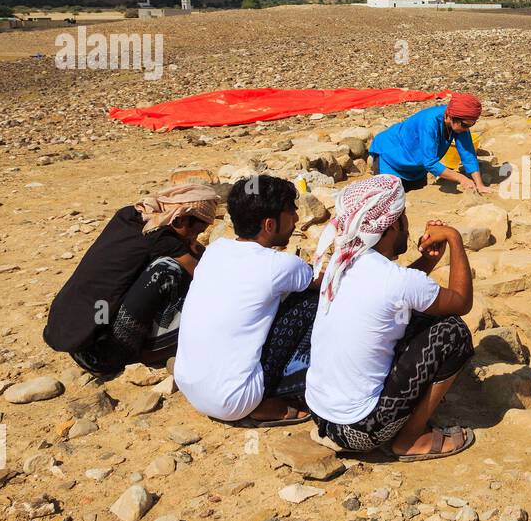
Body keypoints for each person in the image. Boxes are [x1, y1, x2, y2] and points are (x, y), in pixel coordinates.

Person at [306, 175, 476, 461]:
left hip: (322, 416)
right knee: (453, 332)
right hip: (360, 428)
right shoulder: (395, 280)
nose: (408, 227)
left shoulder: (342, 259)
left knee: (411, 316)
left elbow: (395, 292)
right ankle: (410, 440)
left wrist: (430, 260)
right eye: (404, 218)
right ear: (393, 225)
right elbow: (462, 302)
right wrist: (455, 239)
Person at [174, 175, 319, 426]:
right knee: (312, 300)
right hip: (237, 400)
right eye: (291, 212)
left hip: (191, 388)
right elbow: (322, 281)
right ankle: (270, 400)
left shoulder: (216, 250)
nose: (296, 218)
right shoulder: (280, 265)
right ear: (269, 225)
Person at [43, 183, 220, 378]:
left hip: (76, 343)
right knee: (168, 270)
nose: (197, 237)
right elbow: (204, 277)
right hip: (103, 356)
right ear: (180, 220)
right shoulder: (161, 239)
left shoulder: (129, 216)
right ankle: (150, 352)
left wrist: (186, 242)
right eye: (197, 230)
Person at [367, 93, 489, 193]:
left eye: (472, 124)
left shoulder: (460, 122)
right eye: (465, 125)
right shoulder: (429, 122)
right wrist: (461, 178)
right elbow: (430, 163)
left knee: (415, 195)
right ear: (451, 116)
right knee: (387, 199)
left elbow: (467, 152)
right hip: (391, 156)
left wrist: (480, 184)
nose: (467, 128)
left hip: (416, 166)